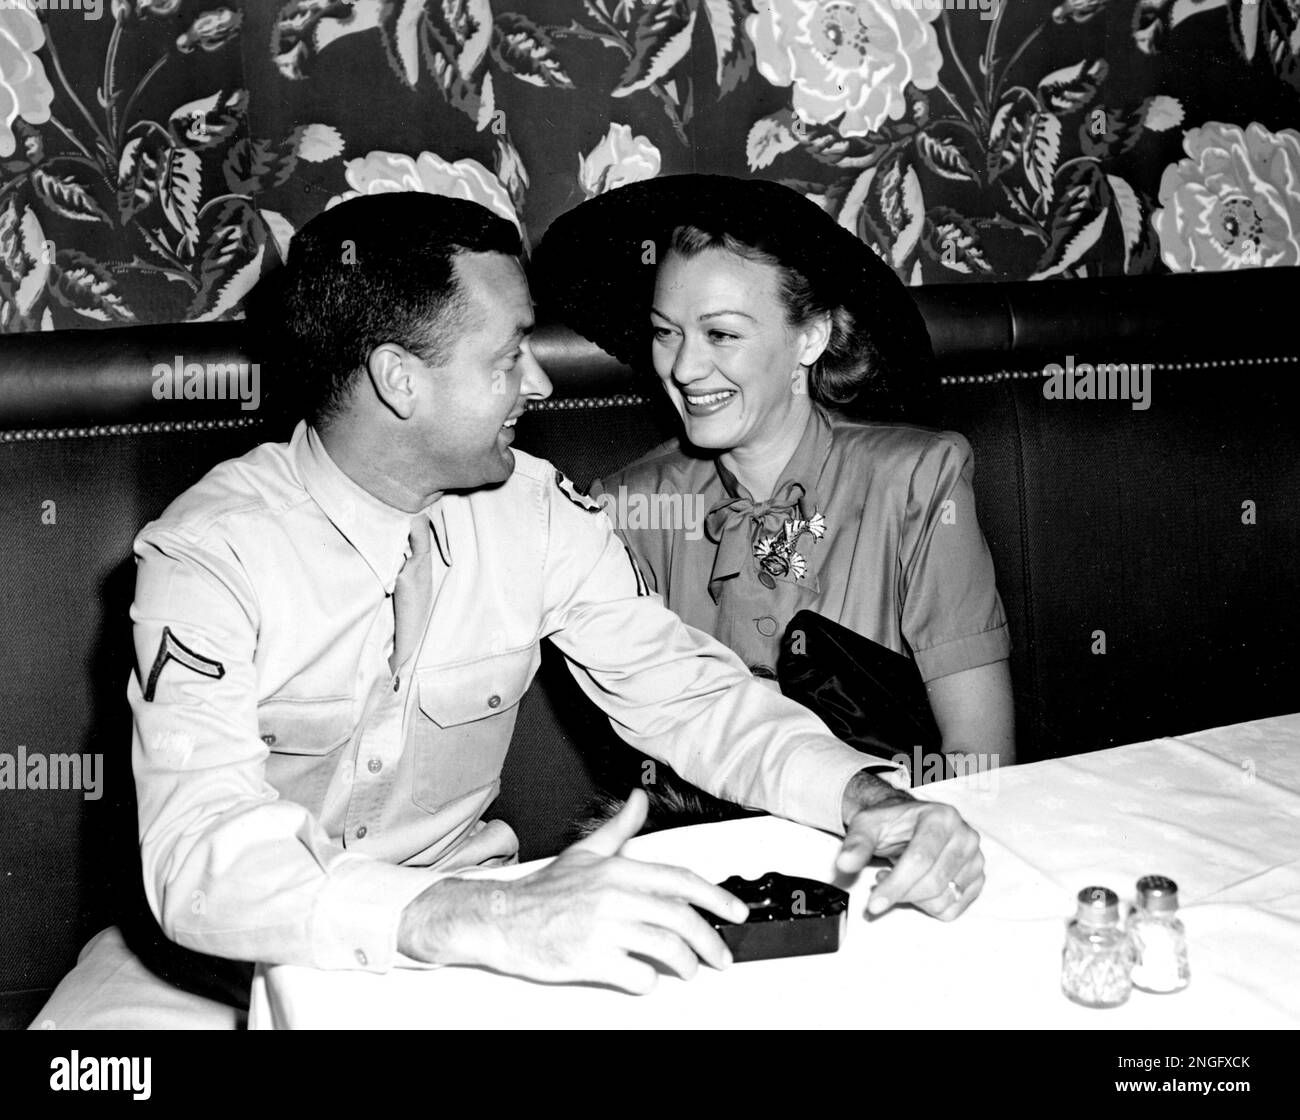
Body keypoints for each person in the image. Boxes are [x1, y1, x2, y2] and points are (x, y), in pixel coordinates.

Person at [33, 192, 985, 1030]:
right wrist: (485, 917)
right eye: (507, 356)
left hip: (473, 960)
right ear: (399, 380)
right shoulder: (209, 555)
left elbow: (689, 698)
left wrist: (866, 794)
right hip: (206, 973)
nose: (539, 382)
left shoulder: (534, 511)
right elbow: (201, 856)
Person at [532, 175, 1014, 822]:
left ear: (809, 340)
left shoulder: (917, 482)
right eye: (666, 332)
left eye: (722, 334)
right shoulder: (625, 508)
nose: (684, 368)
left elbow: (980, 763)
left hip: (895, 849)